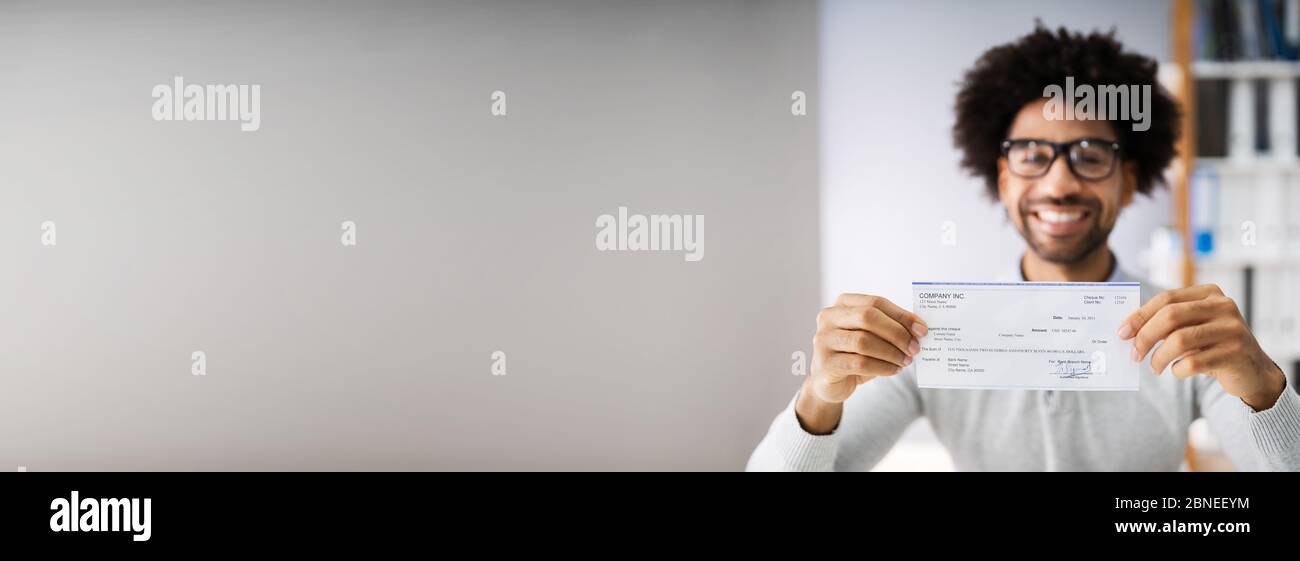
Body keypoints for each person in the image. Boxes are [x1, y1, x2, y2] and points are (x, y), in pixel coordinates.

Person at [747, 25, 1299, 471]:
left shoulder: (1182, 334)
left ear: (1128, 181)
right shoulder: (934, 337)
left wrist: (1265, 386)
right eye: (1032, 155)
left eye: (1089, 155)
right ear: (1003, 180)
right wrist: (820, 395)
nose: (1059, 184)